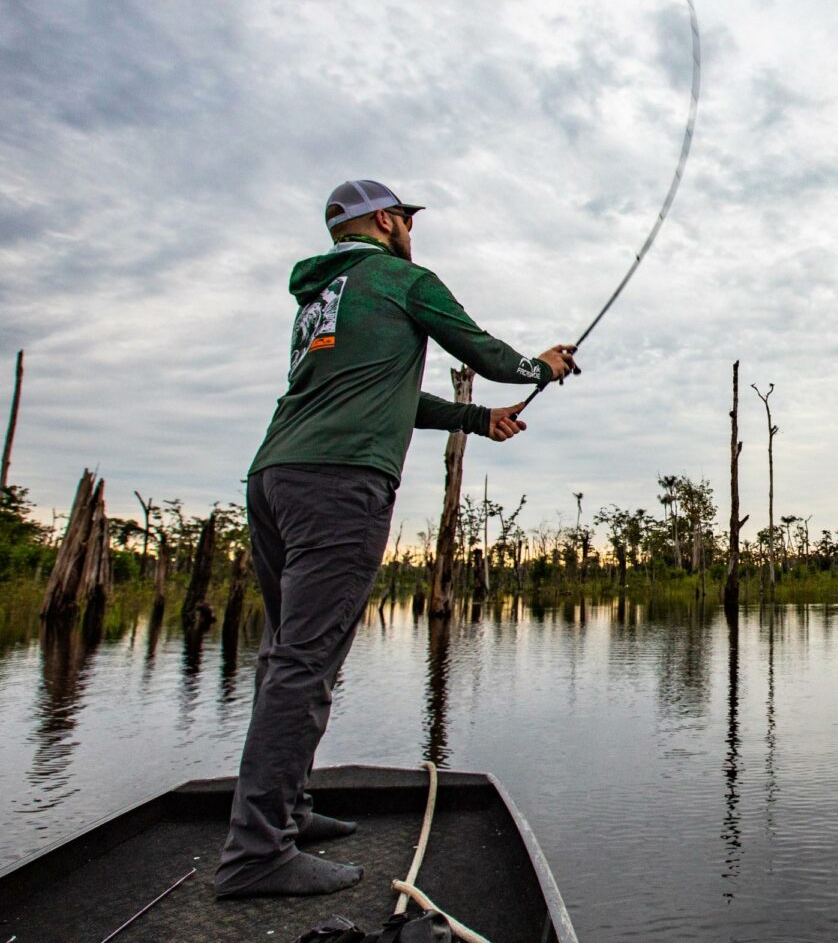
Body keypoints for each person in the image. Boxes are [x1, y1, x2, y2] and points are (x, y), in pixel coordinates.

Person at [215, 179, 576, 899]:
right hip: (340, 485)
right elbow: (483, 350)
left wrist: (478, 421)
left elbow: (392, 394)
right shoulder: (403, 279)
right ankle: (257, 852)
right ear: (385, 220)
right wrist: (544, 367)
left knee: (285, 654)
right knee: (305, 665)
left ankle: (285, 810)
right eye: (407, 217)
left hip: (275, 478)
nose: (412, 228)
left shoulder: (325, 297)